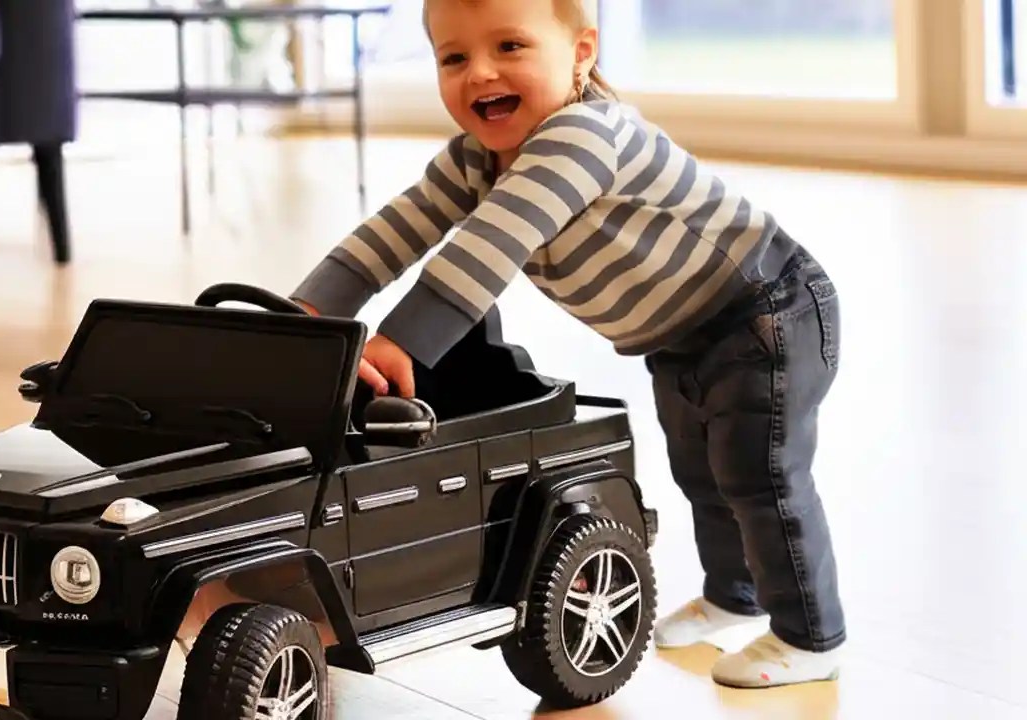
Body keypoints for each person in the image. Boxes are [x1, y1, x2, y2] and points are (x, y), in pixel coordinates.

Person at [289, 0, 845, 689]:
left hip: (764, 309)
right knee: (702, 473)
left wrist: (403, 340)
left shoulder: (583, 136)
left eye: (511, 47)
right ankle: (736, 598)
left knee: (758, 477)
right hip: (680, 336)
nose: (481, 73)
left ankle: (810, 635)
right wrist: (309, 308)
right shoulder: (476, 159)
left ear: (582, 54)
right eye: (454, 58)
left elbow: (490, 245)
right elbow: (395, 230)